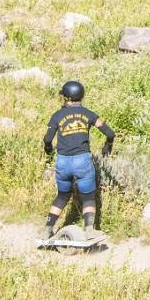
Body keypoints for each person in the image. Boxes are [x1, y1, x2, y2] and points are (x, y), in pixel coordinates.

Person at [42, 80, 115, 236]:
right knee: (88, 197)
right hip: (82, 160)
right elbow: (110, 133)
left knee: (62, 196)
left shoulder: (57, 115)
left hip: (63, 161)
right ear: (81, 96)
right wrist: (107, 146)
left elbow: (47, 139)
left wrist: (48, 150)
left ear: (66, 97)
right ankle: (89, 229)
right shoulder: (88, 114)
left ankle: (47, 229)